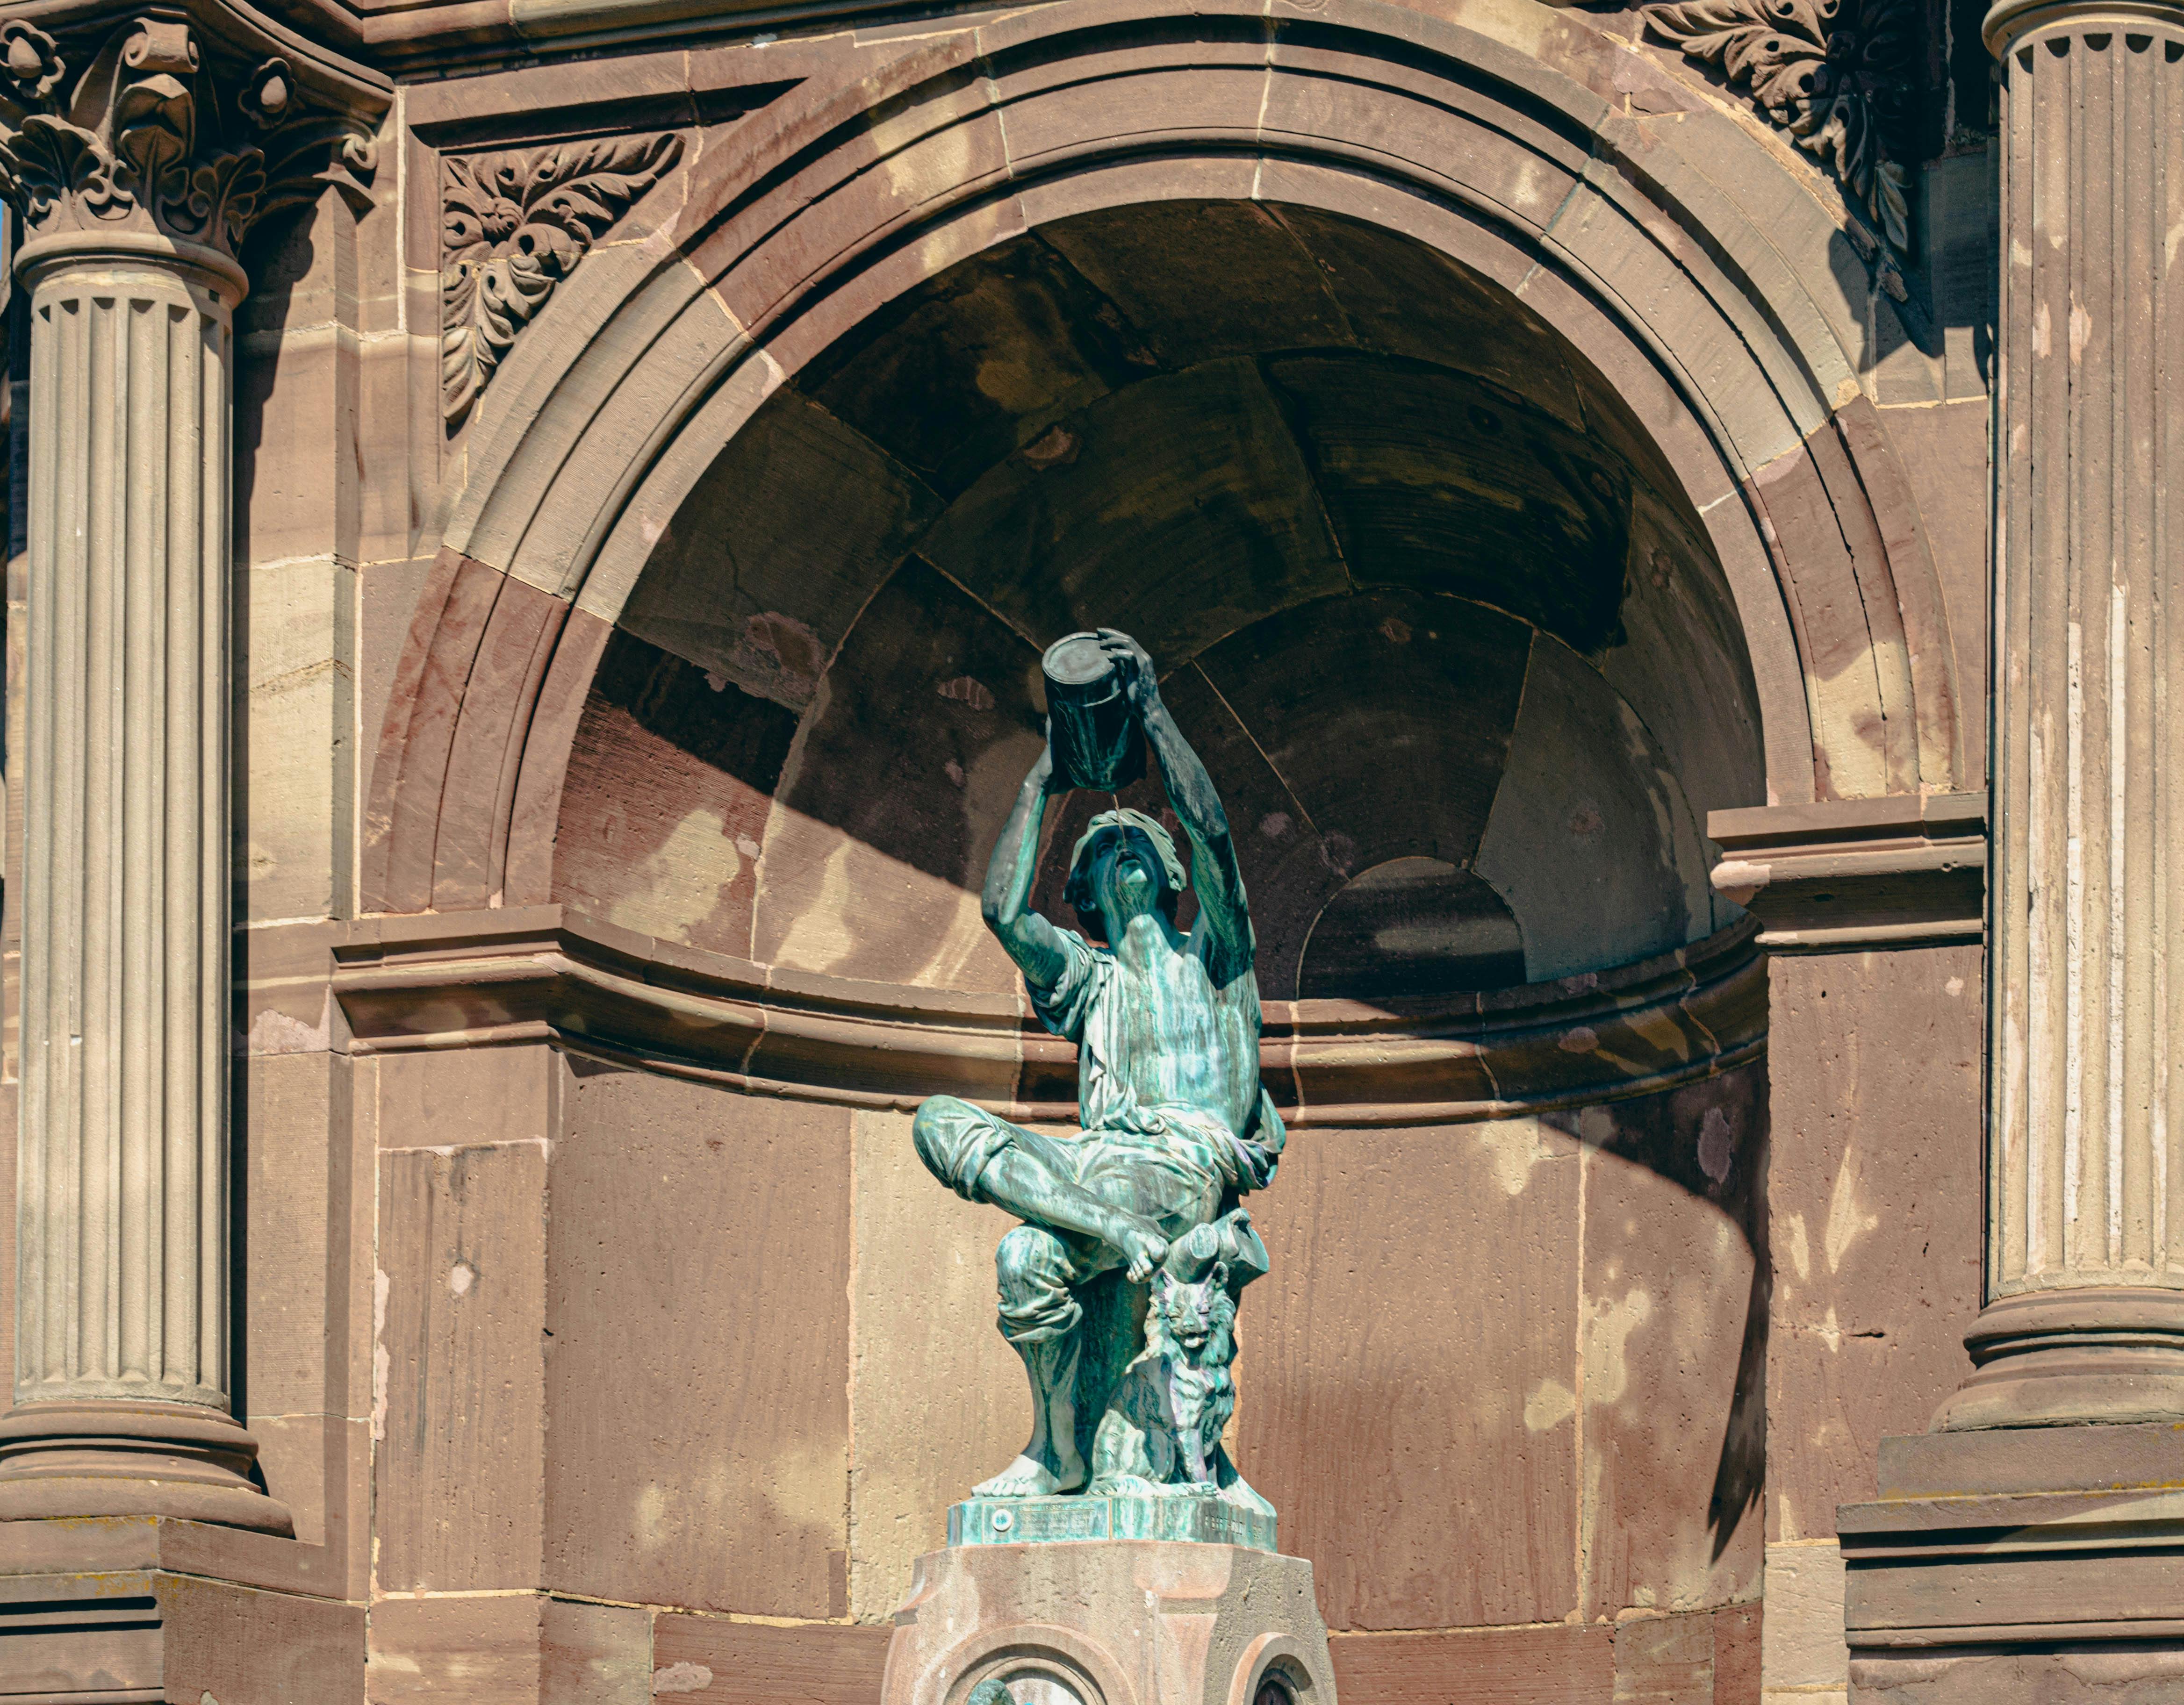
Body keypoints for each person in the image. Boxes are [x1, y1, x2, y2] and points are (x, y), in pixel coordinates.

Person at [911, 630, 1284, 1498]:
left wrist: (1149, 709)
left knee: (1046, 1234)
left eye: (1136, 850)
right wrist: (1046, 774)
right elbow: (1003, 915)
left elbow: (1216, 835)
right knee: (1002, 1228)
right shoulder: (1087, 981)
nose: (1121, 859)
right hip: (1096, 1174)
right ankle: (1057, 1450)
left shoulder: (1217, 961)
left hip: (1179, 1163)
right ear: (1081, 896)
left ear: (1167, 873)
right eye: (1102, 856)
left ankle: (1111, 1236)